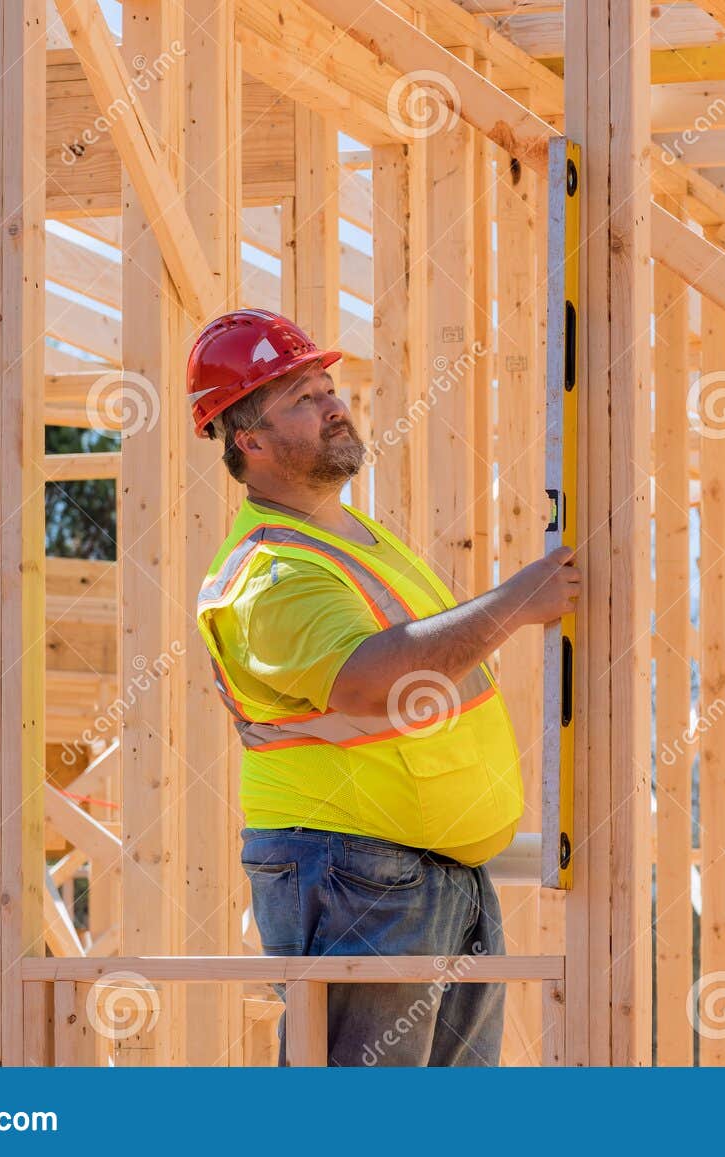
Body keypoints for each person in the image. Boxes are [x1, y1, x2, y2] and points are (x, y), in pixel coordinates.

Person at [189, 308, 579, 1066]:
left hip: (423, 876)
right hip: (354, 873)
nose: (333, 403)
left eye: (328, 386)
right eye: (301, 396)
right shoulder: (269, 575)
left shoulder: (354, 540)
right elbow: (369, 682)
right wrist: (515, 604)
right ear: (251, 441)